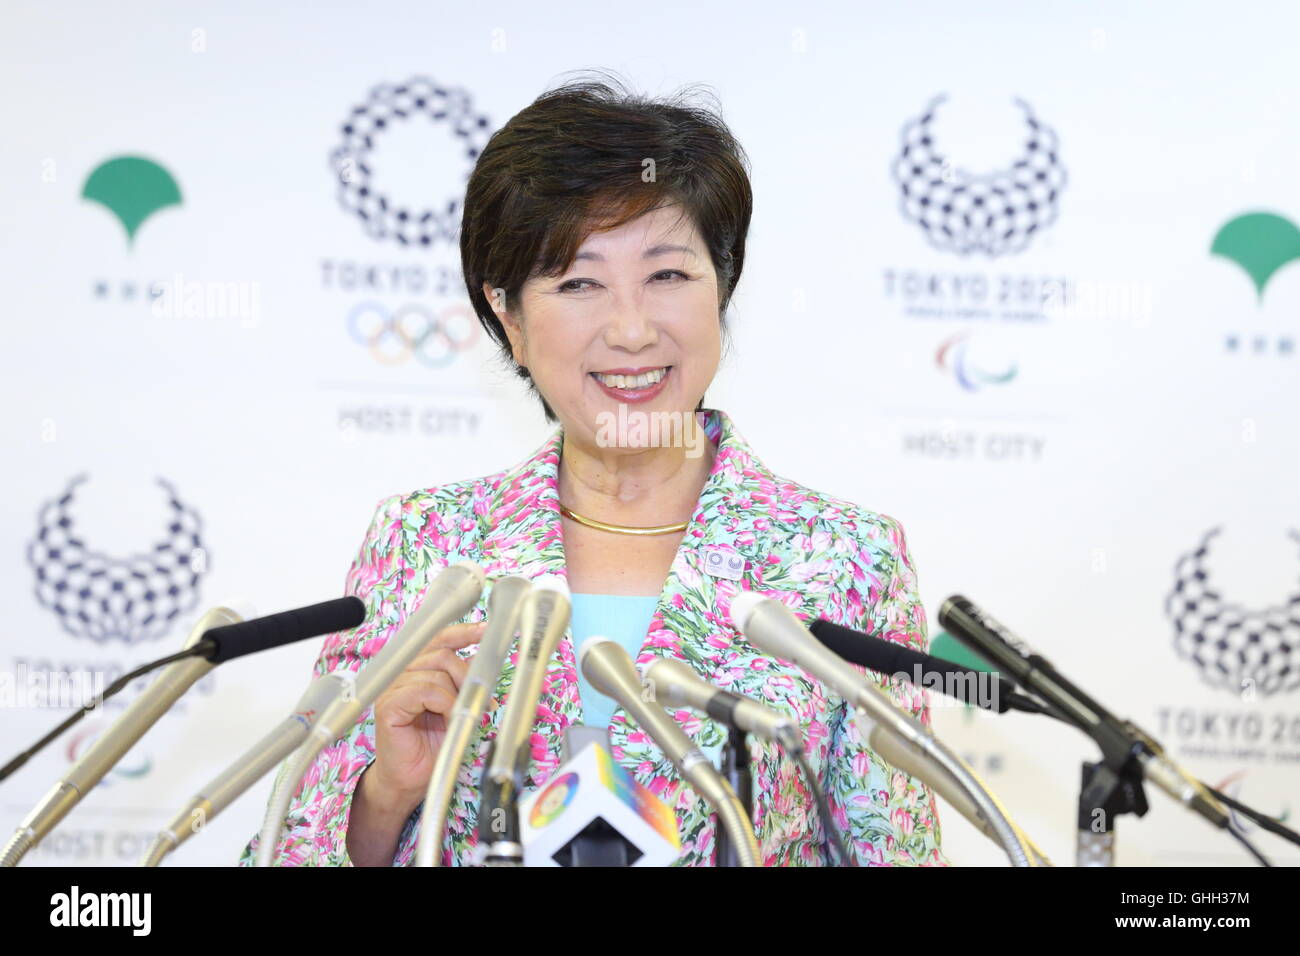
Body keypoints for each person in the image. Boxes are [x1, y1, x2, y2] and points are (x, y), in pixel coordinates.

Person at [239, 71, 947, 867]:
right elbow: (280, 857)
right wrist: (387, 792)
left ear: (723, 290)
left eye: (669, 275)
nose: (634, 330)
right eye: (578, 282)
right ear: (507, 314)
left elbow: (897, 855)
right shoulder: (425, 543)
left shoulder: (846, 558)